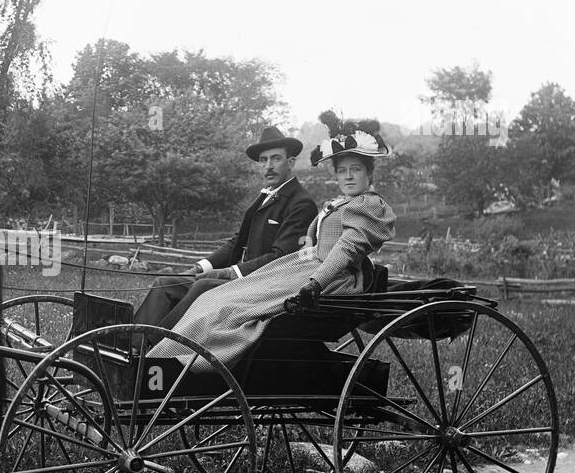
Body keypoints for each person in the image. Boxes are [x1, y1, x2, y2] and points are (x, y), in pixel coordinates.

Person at [147, 114, 397, 369]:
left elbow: (346, 248)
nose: (348, 176)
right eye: (342, 171)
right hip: (304, 268)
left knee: (229, 303)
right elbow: (311, 241)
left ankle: (174, 357)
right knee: (218, 297)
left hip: (331, 280)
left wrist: (316, 282)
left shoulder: (369, 205)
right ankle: (162, 351)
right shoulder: (338, 203)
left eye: (355, 170)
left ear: (369, 172)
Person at [133, 126, 317, 327]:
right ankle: (133, 342)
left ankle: (155, 345)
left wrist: (230, 272)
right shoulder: (265, 196)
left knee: (203, 286)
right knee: (166, 282)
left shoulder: (300, 203)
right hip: (245, 280)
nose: (268, 166)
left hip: (265, 286)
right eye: (263, 160)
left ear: (291, 162)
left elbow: (280, 257)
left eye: (276, 159)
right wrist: (200, 266)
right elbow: (237, 242)